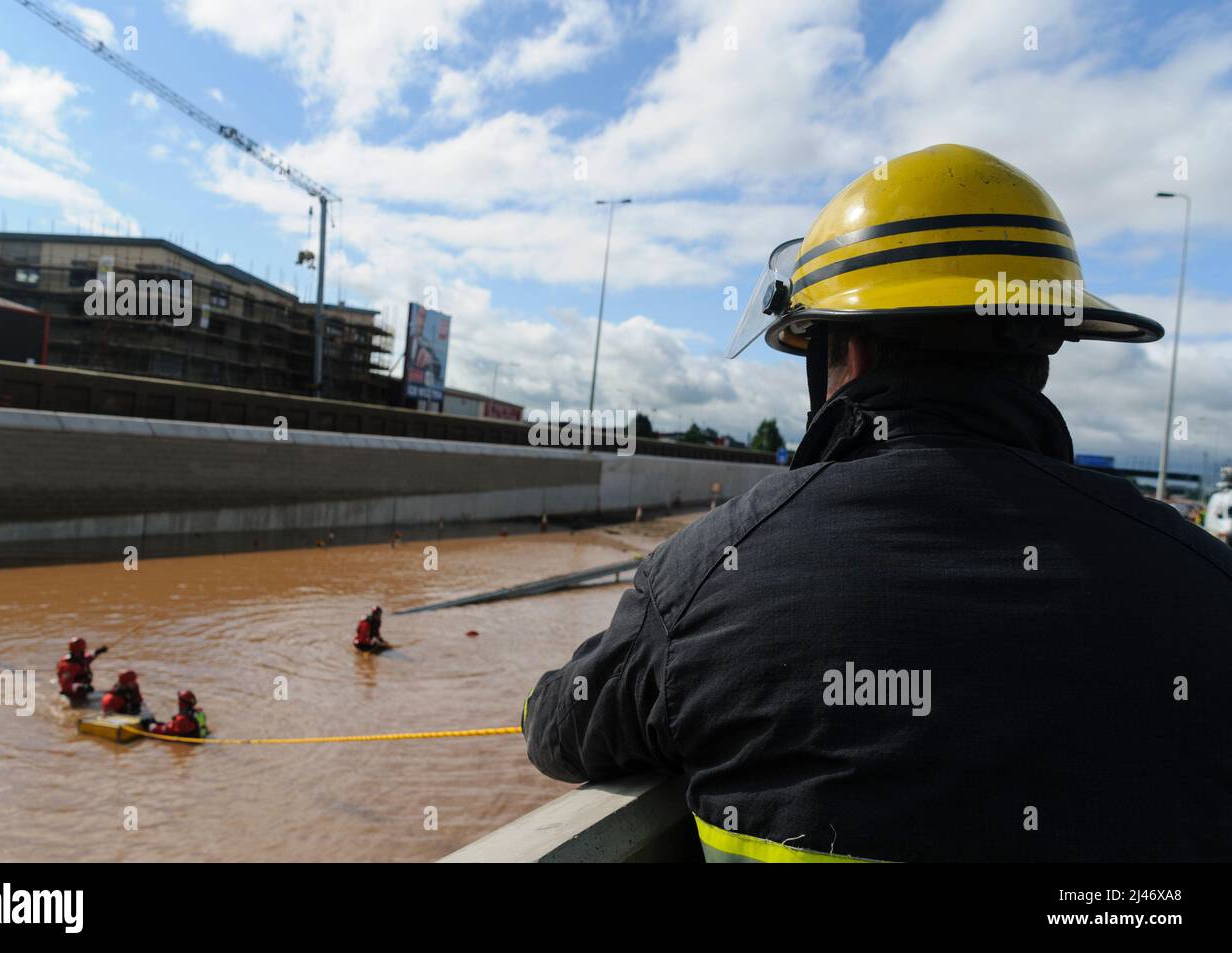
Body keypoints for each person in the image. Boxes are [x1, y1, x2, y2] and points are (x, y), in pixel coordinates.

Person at [521, 144, 1232, 863]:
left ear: (849, 354)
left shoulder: (710, 576)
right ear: (1040, 354)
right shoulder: (1207, 588)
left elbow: (559, 729)